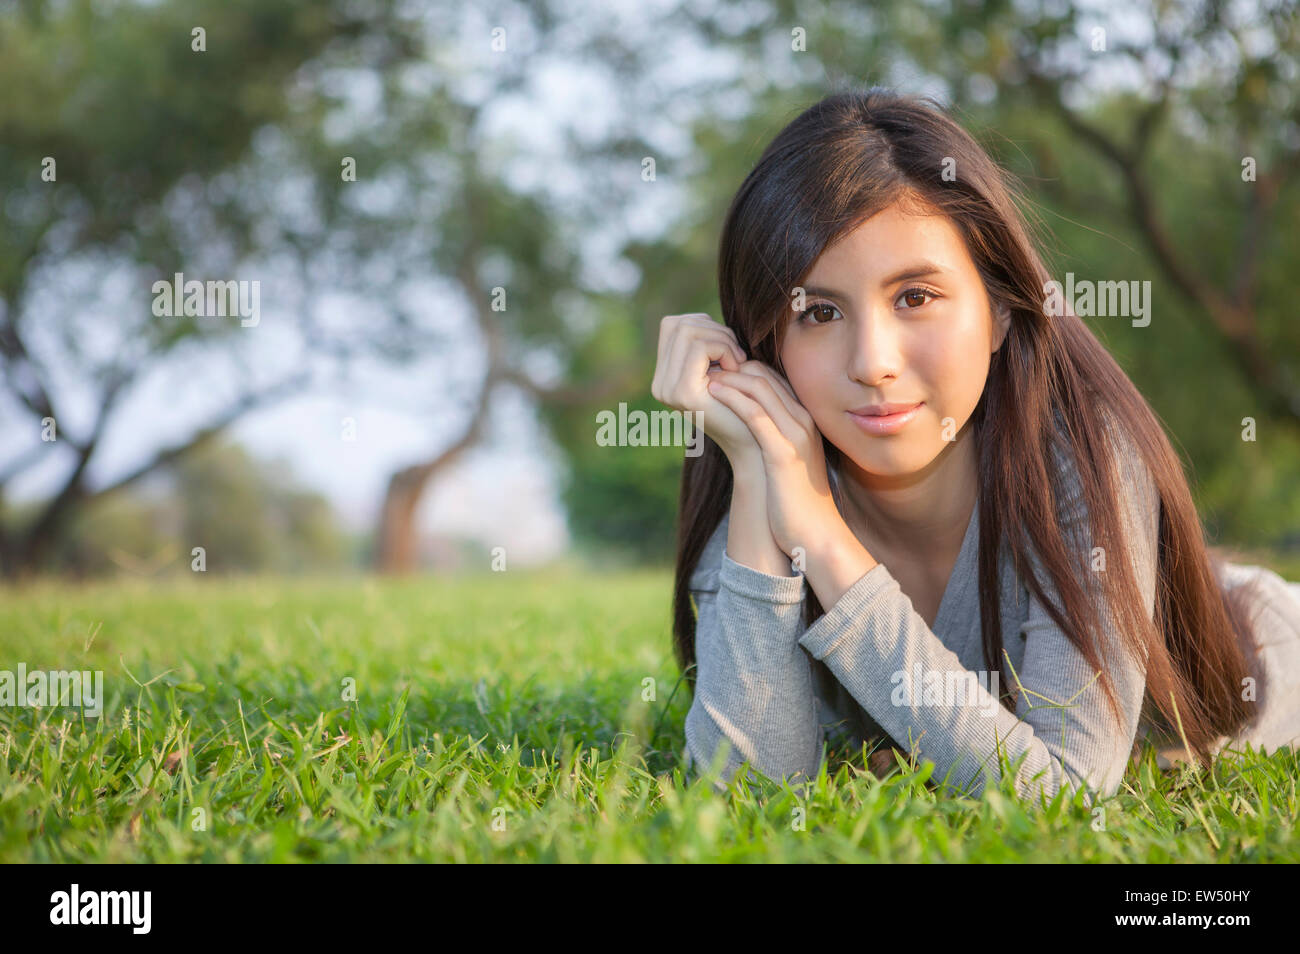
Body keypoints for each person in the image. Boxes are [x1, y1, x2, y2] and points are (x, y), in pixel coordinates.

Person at [650, 86, 1300, 804]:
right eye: (820, 311)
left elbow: (1064, 791)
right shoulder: (754, 472)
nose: (873, 362)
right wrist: (756, 475)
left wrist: (824, 543)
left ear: (998, 309)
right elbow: (747, 793)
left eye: (915, 297)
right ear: (769, 339)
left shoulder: (1083, 454)